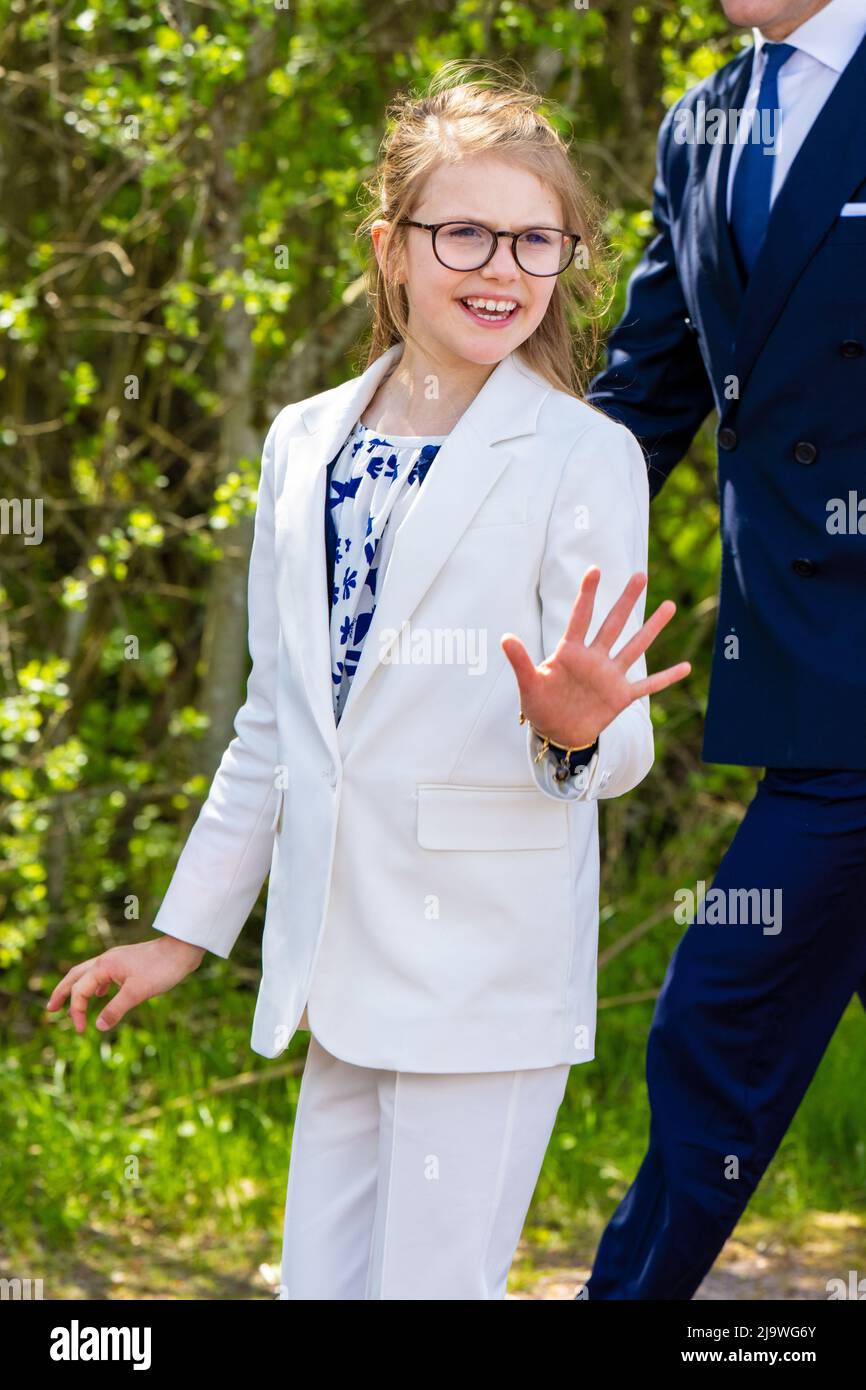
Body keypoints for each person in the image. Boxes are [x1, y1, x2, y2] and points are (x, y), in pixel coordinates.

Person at [47, 64, 689, 1300]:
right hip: (332, 972)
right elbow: (273, 726)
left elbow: (617, 741)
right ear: (391, 247)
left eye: (534, 240)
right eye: (462, 232)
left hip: (485, 971)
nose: (498, 267)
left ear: (565, 258)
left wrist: (568, 734)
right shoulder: (302, 443)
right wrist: (186, 934)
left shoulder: (583, 454)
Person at [583, 0, 866, 1300]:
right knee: (728, 1019)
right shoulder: (697, 127)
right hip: (804, 679)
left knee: (718, 1014)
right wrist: (474, 534)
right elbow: (642, 399)